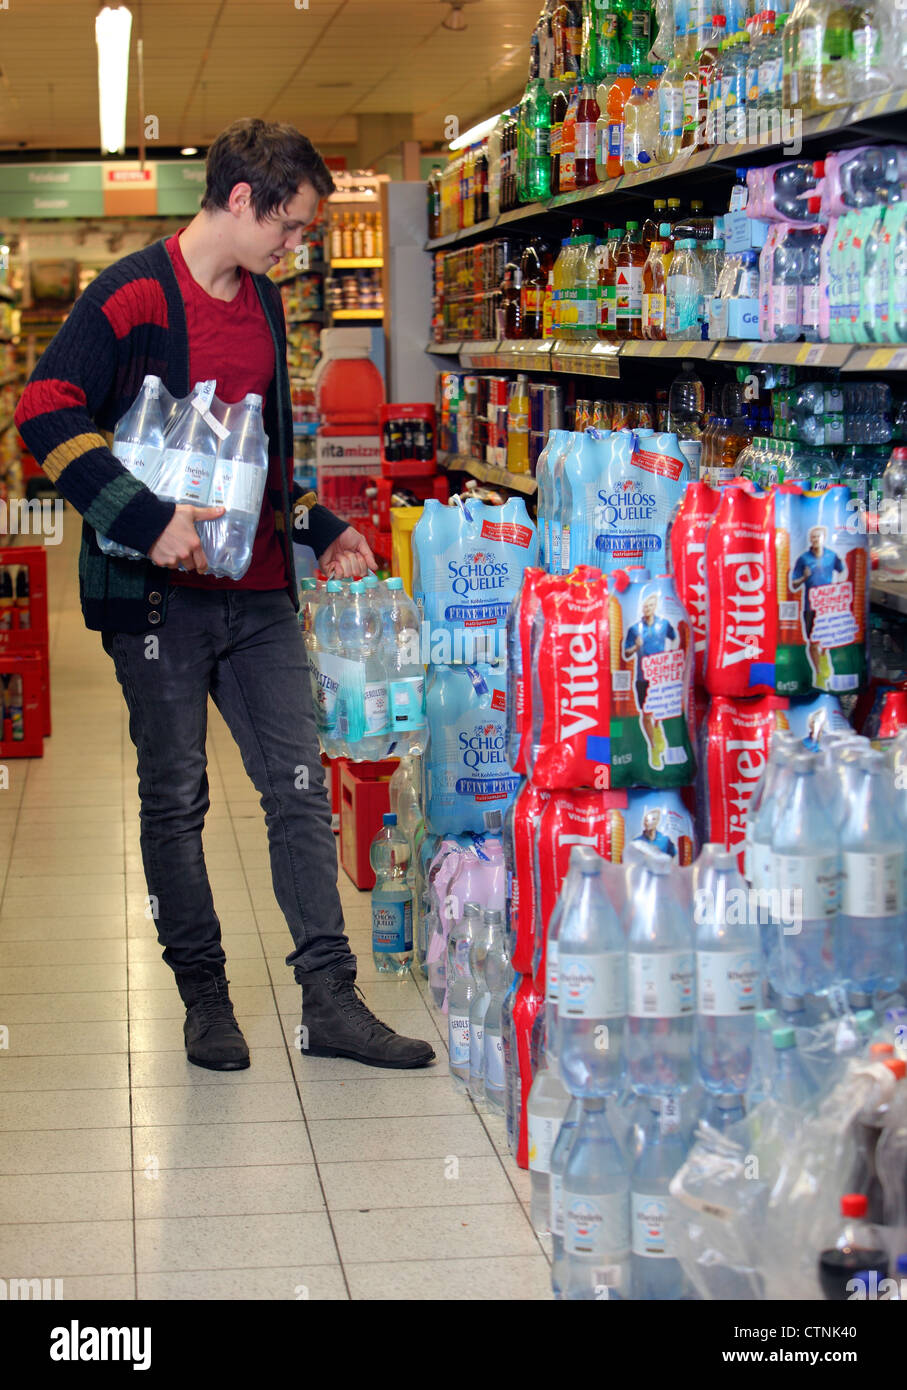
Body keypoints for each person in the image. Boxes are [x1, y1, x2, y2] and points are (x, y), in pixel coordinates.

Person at [14, 119, 435, 1074]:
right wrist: (139, 511)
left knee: (298, 793)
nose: (296, 246)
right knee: (175, 803)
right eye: (289, 226)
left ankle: (330, 1000)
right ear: (240, 199)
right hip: (155, 602)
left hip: (256, 599)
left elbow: (259, 465)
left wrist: (319, 528)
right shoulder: (128, 296)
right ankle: (206, 1000)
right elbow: (43, 409)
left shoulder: (267, 306)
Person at [622, 591, 678, 772]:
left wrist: (671, 657)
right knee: (645, 714)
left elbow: (675, 637)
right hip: (642, 678)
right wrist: (636, 647)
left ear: (655, 607)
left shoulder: (664, 624)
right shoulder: (634, 629)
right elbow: (626, 653)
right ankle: (653, 747)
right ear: (642, 608)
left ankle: (658, 730)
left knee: (658, 713)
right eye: (645, 606)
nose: (647, 609)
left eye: (650, 606)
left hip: (661, 676)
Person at [790, 524, 845, 687]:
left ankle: (823, 659)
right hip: (810, 606)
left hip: (828, 605)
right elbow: (793, 583)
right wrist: (804, 577)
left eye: (818, 536)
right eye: (813, 537)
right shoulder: (803, 558)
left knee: (826, 641)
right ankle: (819, 674)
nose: (815, 539)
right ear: (810, 539)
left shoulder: (832, 556)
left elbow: (842, 571)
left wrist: (838, 589)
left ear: (824, 538)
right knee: (812, 642)